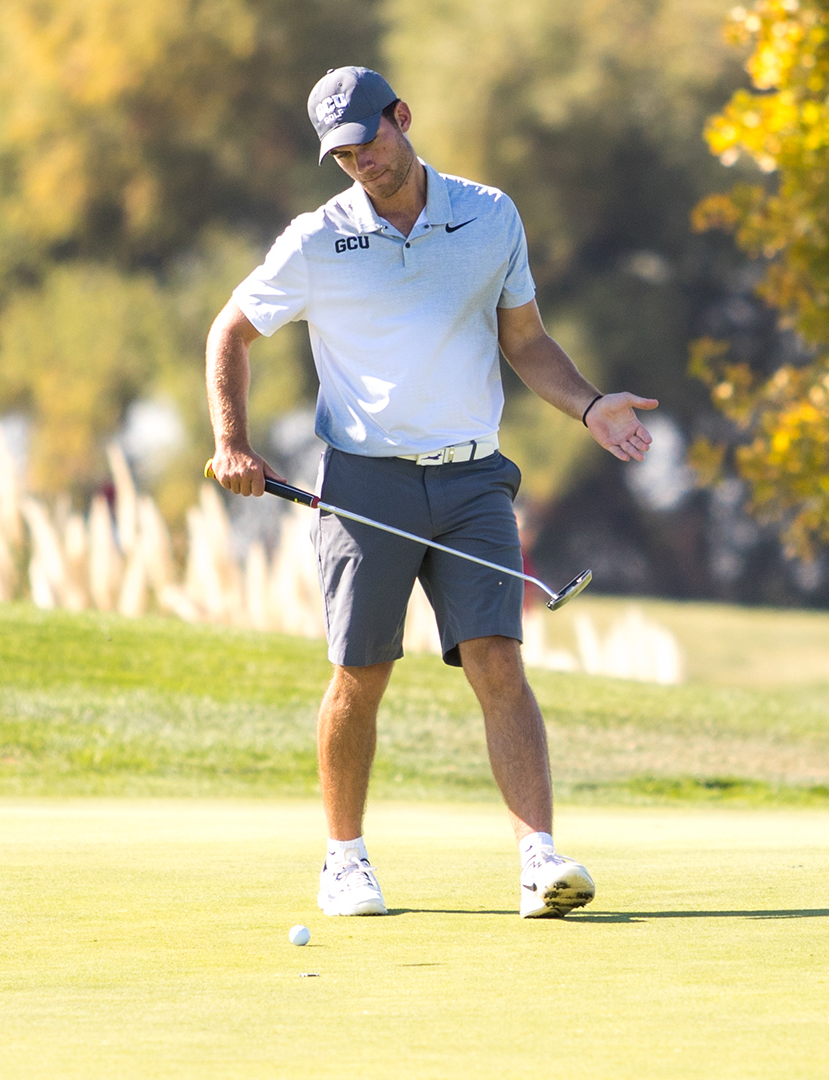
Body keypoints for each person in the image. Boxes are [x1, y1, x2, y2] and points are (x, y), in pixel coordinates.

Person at [205, 67, 657, 919]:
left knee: (498, 660)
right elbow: (230, 331)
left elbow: (524, 340)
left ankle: (539, 860)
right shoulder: (316, 239)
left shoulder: (490, 217)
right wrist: (232, 442)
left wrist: (591, 406)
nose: (360, 164)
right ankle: (344, 861)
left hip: (473, 477)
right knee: (361, 674)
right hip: (362, 481)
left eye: (368, 141)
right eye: (340, 154)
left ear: (401, 118)